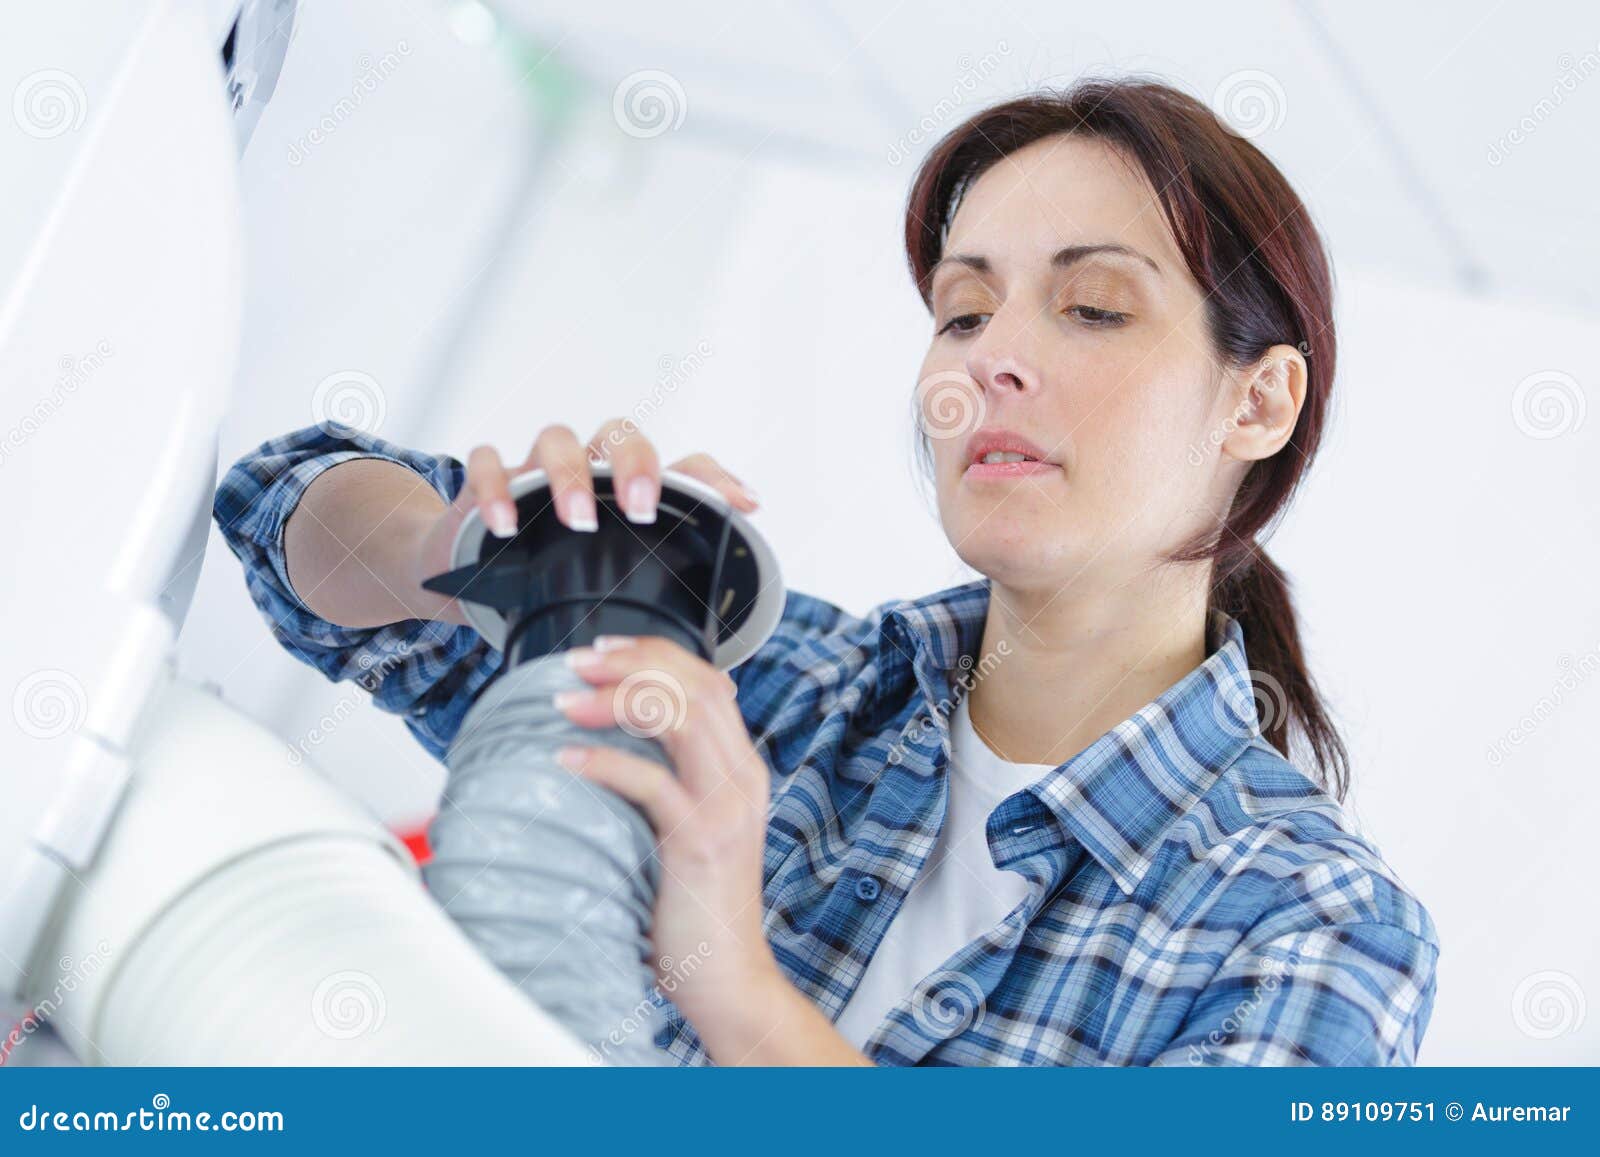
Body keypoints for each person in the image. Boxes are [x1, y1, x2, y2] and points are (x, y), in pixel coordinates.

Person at [214, 79, 1438, 1066]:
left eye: (1092, 307)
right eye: (963, 313)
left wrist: (735, 980)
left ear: (1258, 400)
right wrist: (488, 557)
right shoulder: (773, 684)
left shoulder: (1308, 925)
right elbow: (279, 501)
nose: (990, 359)